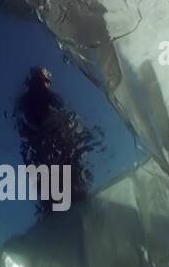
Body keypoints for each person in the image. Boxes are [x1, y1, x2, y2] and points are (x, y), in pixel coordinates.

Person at [12, 67, 103, 215]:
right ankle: (53, 205)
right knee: (48, 175)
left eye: (47, 81)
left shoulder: (48, 98)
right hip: (41, 144)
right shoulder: (28, 101)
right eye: (43, 80)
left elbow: (64, 115)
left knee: (66, 168)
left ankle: (71, 196)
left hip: (52, 142)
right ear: (34, 81)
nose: (46, 85)